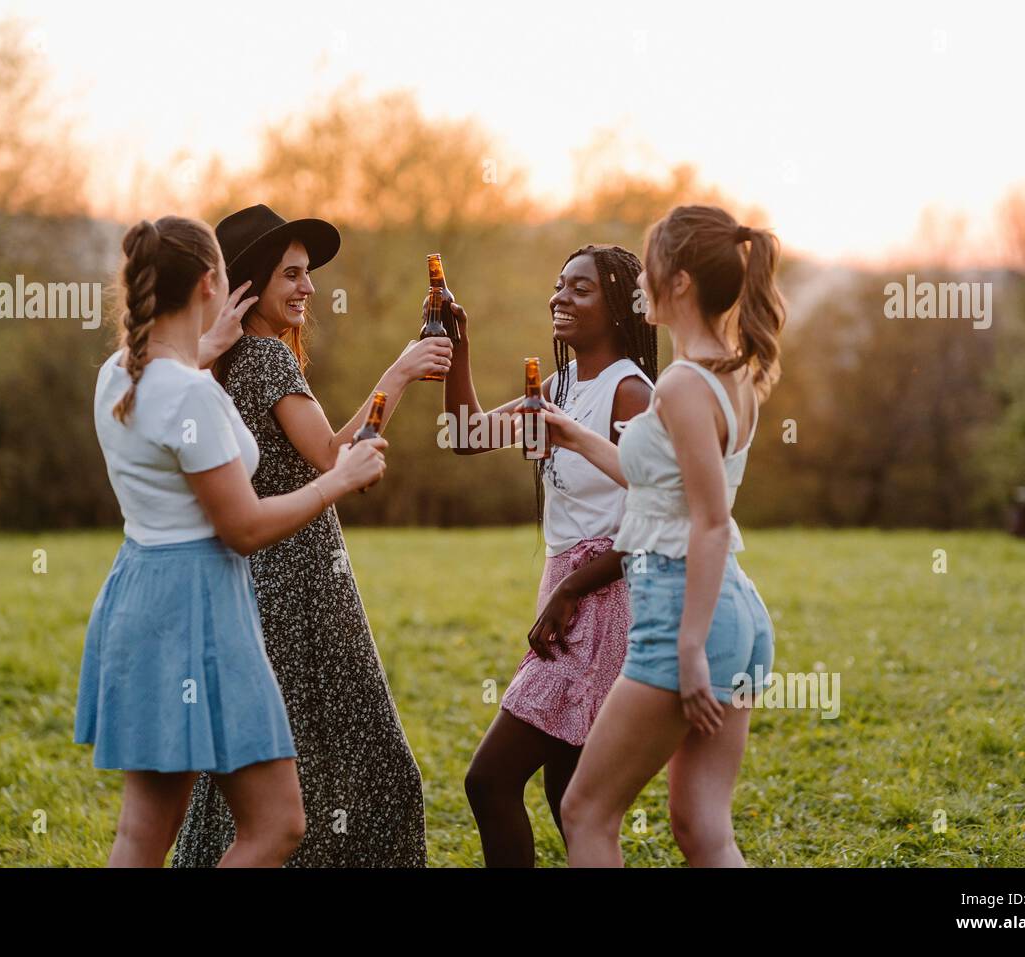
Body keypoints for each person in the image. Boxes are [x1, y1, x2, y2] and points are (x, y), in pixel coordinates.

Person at [74, 215, 387, 867]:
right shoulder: (191, 393)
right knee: (276, 823)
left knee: (143, 833)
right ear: (213, 281)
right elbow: (242, 527)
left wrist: (204, 348)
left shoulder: (117, 375)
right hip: (200, 610)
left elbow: (167, 389)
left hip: (138, 594)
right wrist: (340, 479)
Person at [172, 205, 447, 867]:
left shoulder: (241, 360)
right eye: (291, 274)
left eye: (309, 274)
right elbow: (331, 453)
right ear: (250, 286)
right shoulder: (265, 358)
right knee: (372, 760)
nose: (308, 287)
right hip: (298, 585)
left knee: (292, 757)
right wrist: (401, 370)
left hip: (276, 580)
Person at [545, 205, 784, 867]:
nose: (638, 281)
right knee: (702, 828)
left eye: (649, 266)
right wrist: (572, 432)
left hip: (687, 612)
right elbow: (657, 484)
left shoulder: (681, 383)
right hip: (738, 615)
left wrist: (688, 647)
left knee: (586, 812)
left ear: (678, 281)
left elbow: (710, 521)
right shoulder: (731, 371)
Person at [443, 244, 656, 866]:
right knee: (571, 795)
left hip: (601, 598)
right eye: (559, 285)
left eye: (580, 289)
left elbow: (656, 514)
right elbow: (465, 435)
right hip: (565, 588)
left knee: (490, 780)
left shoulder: (630, 394)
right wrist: (459, 343)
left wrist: (572, 590)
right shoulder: (560, 385)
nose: (559, 297)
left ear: (619, 308)